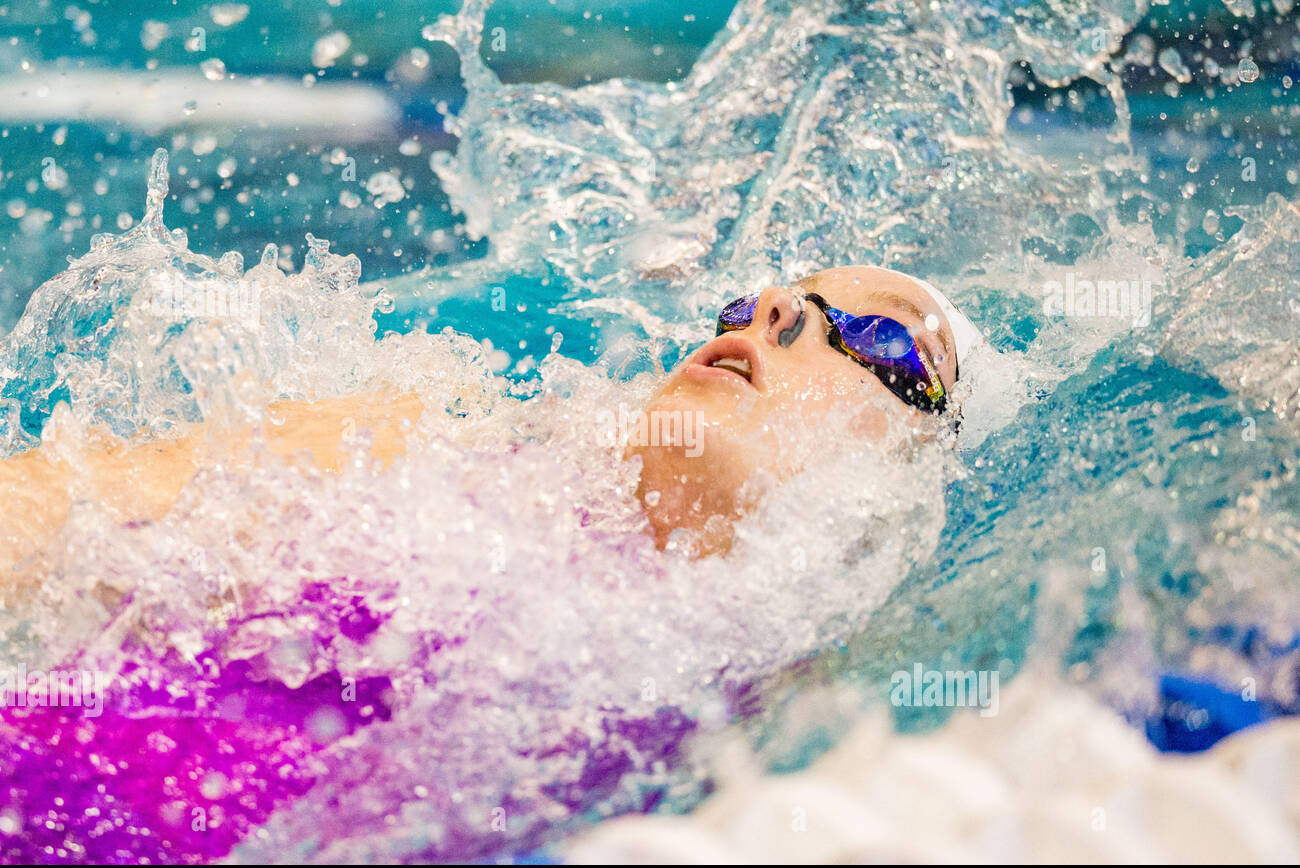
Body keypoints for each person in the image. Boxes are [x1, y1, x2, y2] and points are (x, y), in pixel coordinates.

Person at [0, 264, 979, 592]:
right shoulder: (418, 445)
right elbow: (46, 511)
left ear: (917, 467)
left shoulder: (817, 682)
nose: (772, 310)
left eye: (878, 338)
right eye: (743, 303)